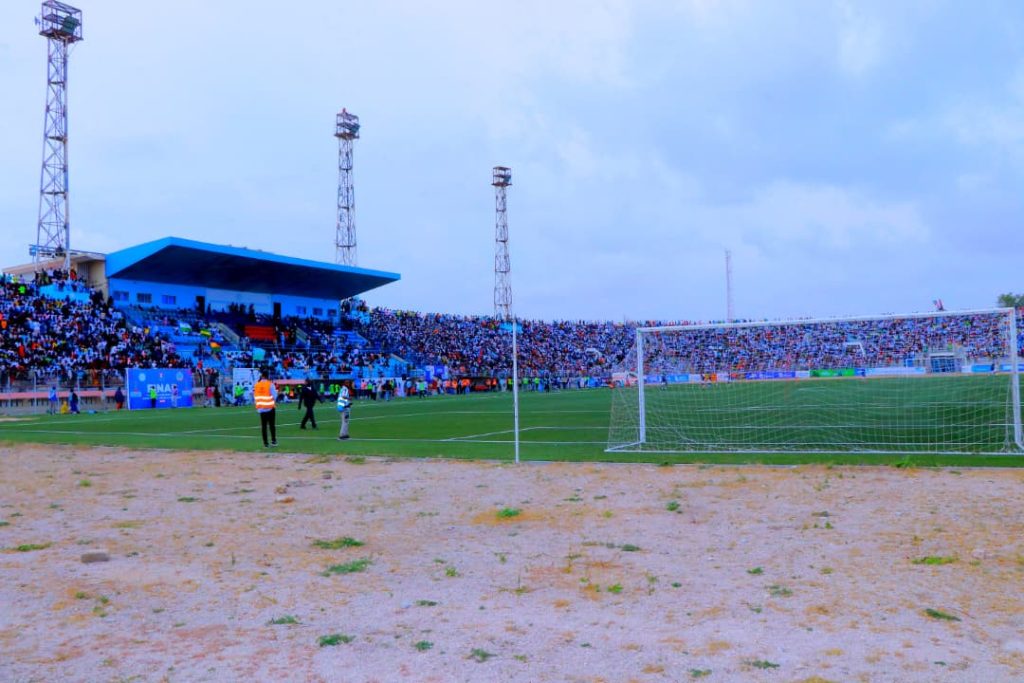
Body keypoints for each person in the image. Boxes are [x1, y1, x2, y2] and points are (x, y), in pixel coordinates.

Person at [253, 370, 278, 448]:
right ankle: (273, 441)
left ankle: (265, 443)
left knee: (263, 426)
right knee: (272, 425)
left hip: (261, 408)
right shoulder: (270, 384)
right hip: (269, 407)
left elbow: (254, 396)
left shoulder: (257, 385)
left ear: (262, 376)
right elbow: (274, 396)